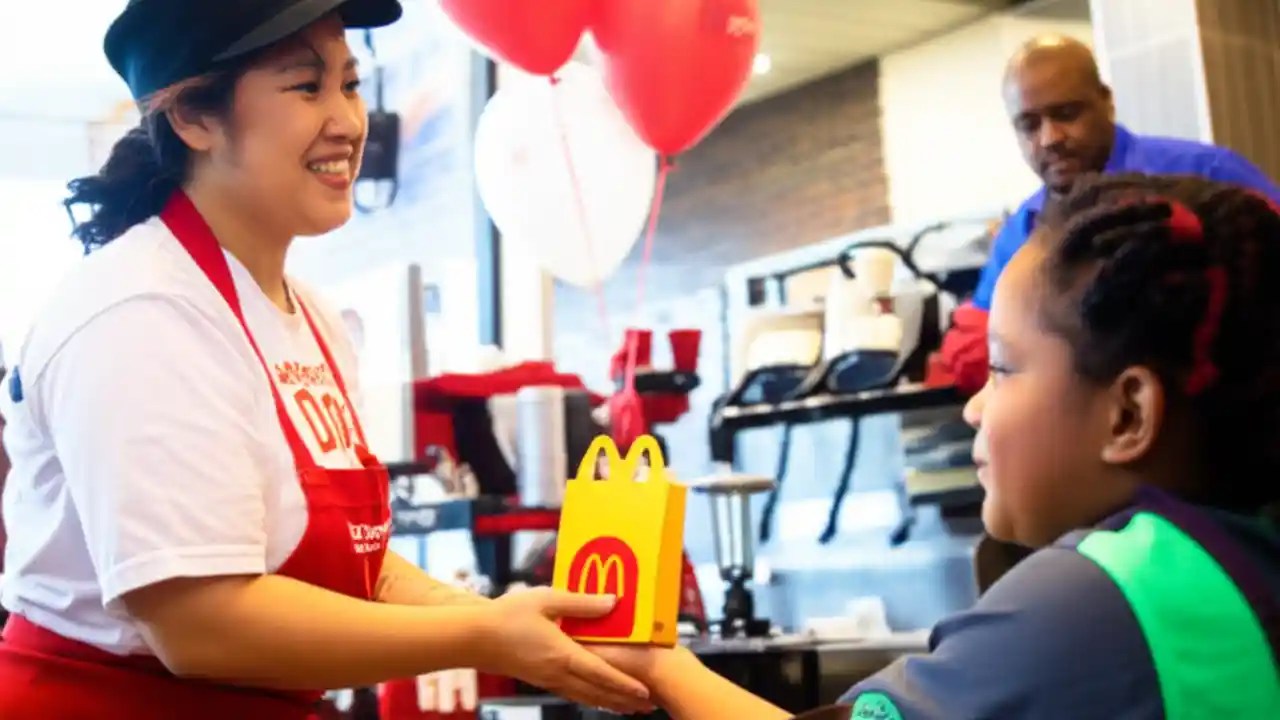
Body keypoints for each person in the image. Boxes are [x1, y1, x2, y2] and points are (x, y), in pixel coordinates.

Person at [0, 3, 652, 719]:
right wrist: (484, 636)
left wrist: (509, 618)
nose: (347, 120)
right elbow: (199, 624)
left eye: (350, 84)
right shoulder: (140, 311)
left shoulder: (310, 317)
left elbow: (358, 566)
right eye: (306, 88)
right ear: (195, 119)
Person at [591, 173, 1280, 718]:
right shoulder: (1243, 562)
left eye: (1002, 368)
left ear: (1129, 414)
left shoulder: (1099, 598)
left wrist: (657, 666)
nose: (975, 407)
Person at [939, 34, 1280, 395]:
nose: (1049, 138)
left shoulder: (1204, 173)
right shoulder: (1021, 232)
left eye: (1066, 113)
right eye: (1029, 125)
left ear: (1106, 102)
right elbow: (975, 351)